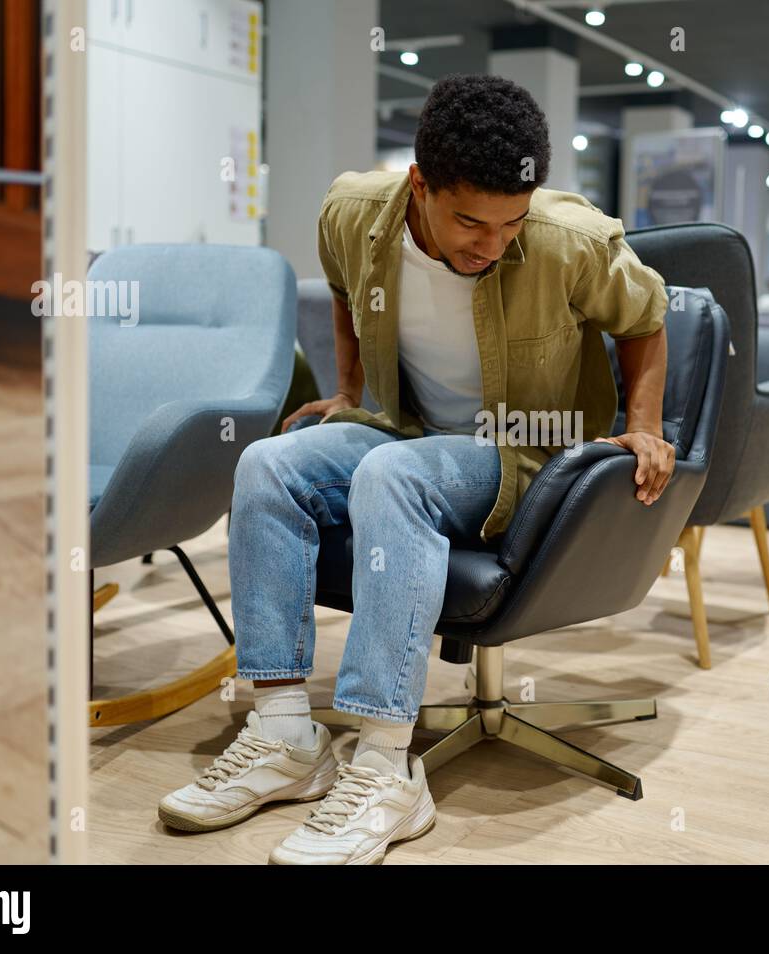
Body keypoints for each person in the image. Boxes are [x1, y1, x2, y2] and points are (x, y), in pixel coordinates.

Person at [158, 73, 673, 864]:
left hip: (523, 447)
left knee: (390, 479)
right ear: (419, 186)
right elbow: (340, 285)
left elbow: (646, 318)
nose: (492, 244)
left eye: (511, 224)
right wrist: (350, 392)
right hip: (404, 428)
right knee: (269, 464)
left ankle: (383, 766)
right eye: (471, 220)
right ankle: (285, 735)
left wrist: (644, 428)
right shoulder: (351, 213)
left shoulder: (571, 242)